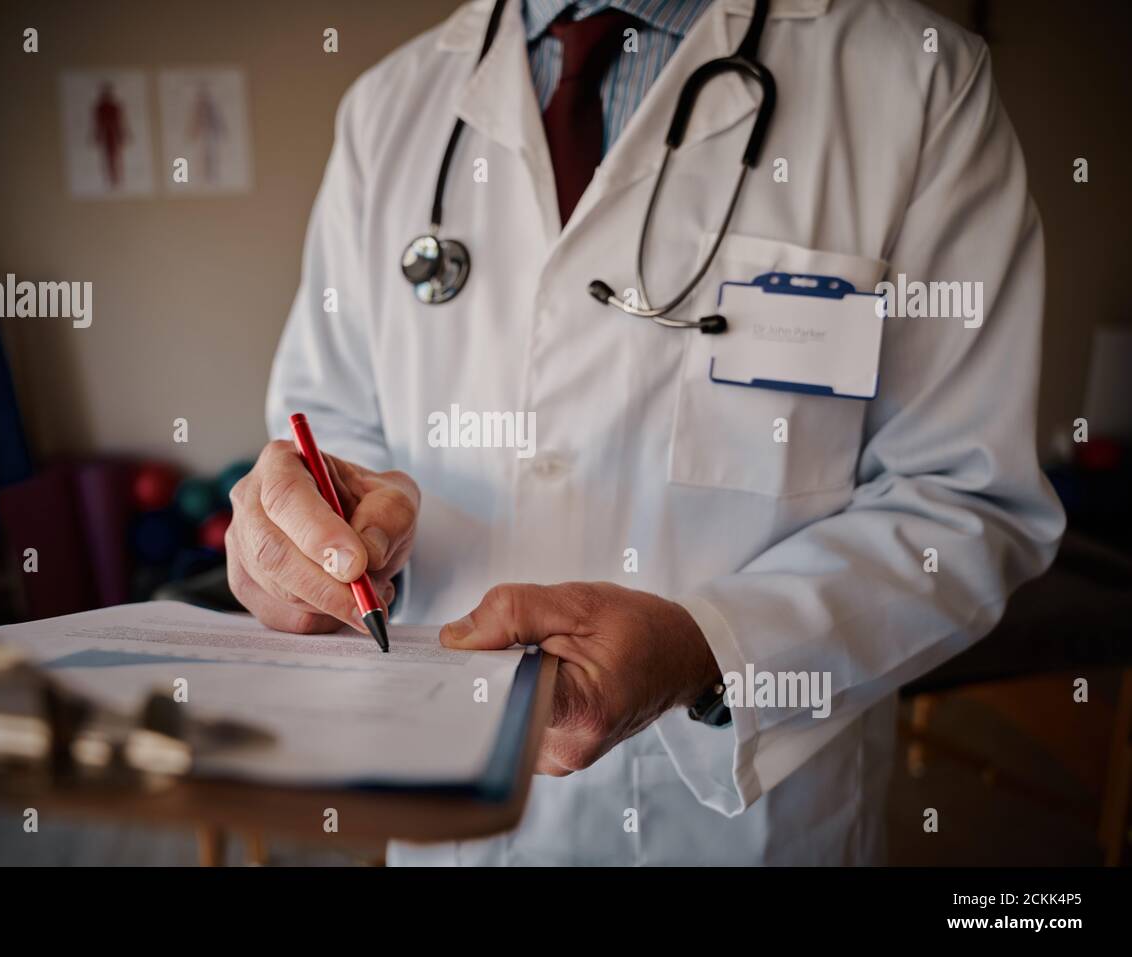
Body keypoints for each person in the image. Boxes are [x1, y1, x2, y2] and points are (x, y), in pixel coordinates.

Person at [225, 0, 1065, 865]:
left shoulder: (917, 79)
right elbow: (325, 436)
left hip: (747, 826)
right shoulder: (388, 108)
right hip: (454, 807)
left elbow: (966, 497)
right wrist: (304, 542)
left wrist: (708, 647)